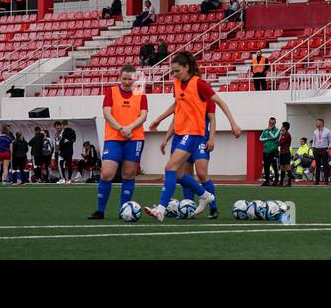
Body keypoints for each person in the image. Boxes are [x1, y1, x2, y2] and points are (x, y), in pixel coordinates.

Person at [144, 51, 241, 222]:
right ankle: (204, 195)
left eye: (177, 71)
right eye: (172, 71)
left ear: (187, 67)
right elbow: (177, 105)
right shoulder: (176, 83)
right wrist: (159, 119)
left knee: (170, 168)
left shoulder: (200, 84)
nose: (174, 74)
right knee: (180, 175)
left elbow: (220, 102)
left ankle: (161, 209)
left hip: (194, 134)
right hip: (180, 134)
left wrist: (233, 123)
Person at [90, 64, 148, 219]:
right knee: (107, 173)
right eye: (124, 78)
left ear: (134, 79)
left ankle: (125, 210)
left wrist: (129, 128)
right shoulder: (111, 92)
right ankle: (100, 210)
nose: (127, 82)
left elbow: (143, 115)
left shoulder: (140, 94)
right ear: (119, 78)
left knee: (128, 174)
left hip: (134, 138)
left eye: (130, 79)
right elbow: (107, 113)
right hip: (114, 137)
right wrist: (121, 129)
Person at [311, 118, 331, 183]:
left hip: (324, 149)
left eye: (317, 122)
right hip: (316, 150)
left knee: (325, 165)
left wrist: (328, 149)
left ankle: (326, 180)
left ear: (321, 123)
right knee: (317, 165)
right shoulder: (315, 131)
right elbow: (314, 141)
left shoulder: (328, 131)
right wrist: (313, 149)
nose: (316, 124)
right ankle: (317, 180)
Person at [259, 117, 281, 186]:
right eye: (270, 123)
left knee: (275, 166)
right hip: (266, 151)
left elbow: (274, 137)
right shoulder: (265, 130)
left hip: (273, 151)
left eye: (272, 123)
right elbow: (260, 139)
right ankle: (267, 181)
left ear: (275, 123)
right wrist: (268, 138)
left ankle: (276, 181)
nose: (271, 124)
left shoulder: (277, 130)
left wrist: (270, 131)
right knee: (266, 166)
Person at [55, 120, 77, 184]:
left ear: (62, 125)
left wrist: (59, 148)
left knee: (60, 163)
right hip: (70, 150)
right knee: (69, 164)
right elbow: (74, 140)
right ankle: (69, 179)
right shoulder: (73, 131)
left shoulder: (63, 131)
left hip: (63, 150)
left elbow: (61, 140)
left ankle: (63, 178)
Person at [277, 121, 293, 187]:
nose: (281, 127)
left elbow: (281, 143)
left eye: (282, 126)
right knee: (282, 167)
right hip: (282, 152)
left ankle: (289, 182)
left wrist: (279, 140)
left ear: (284, 127)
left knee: (287, 167)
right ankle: (281, 182)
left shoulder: (287, 135)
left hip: (286, 153)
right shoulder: (282, 134)